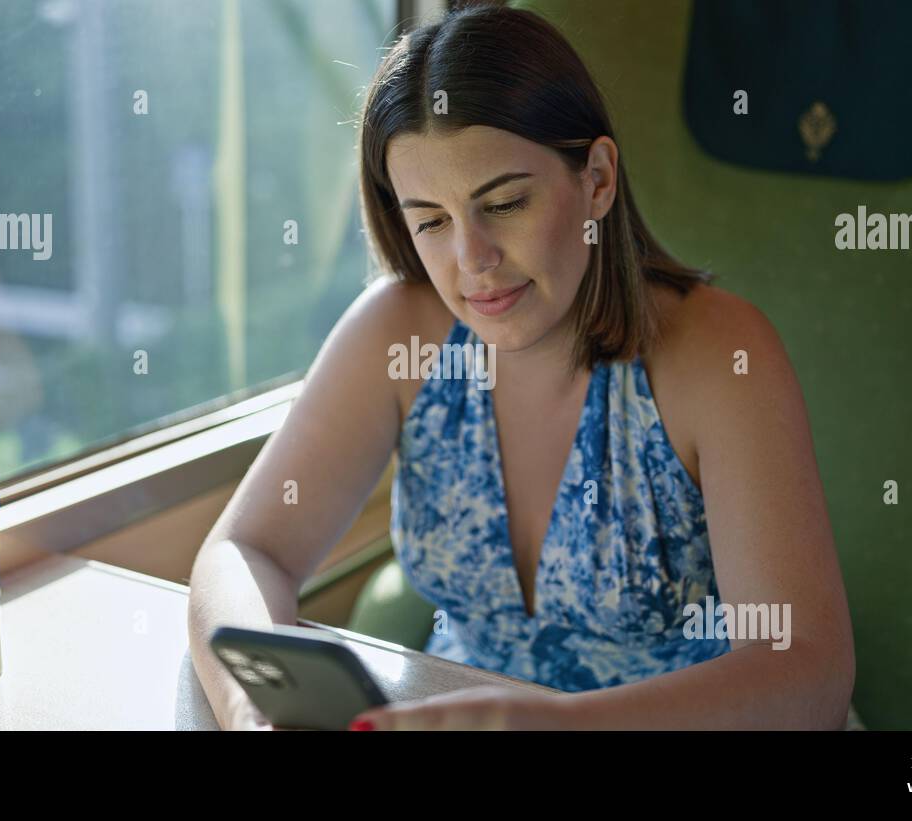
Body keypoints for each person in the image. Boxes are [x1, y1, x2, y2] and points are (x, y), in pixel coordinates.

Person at [188, 5, 855, 730]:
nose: (471, 261)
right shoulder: (397, 333)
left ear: (597, 180)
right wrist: (249, 706)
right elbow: (244, 549)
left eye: (503, 203)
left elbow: (807, 671)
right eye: (431, 221)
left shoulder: (720, 355)